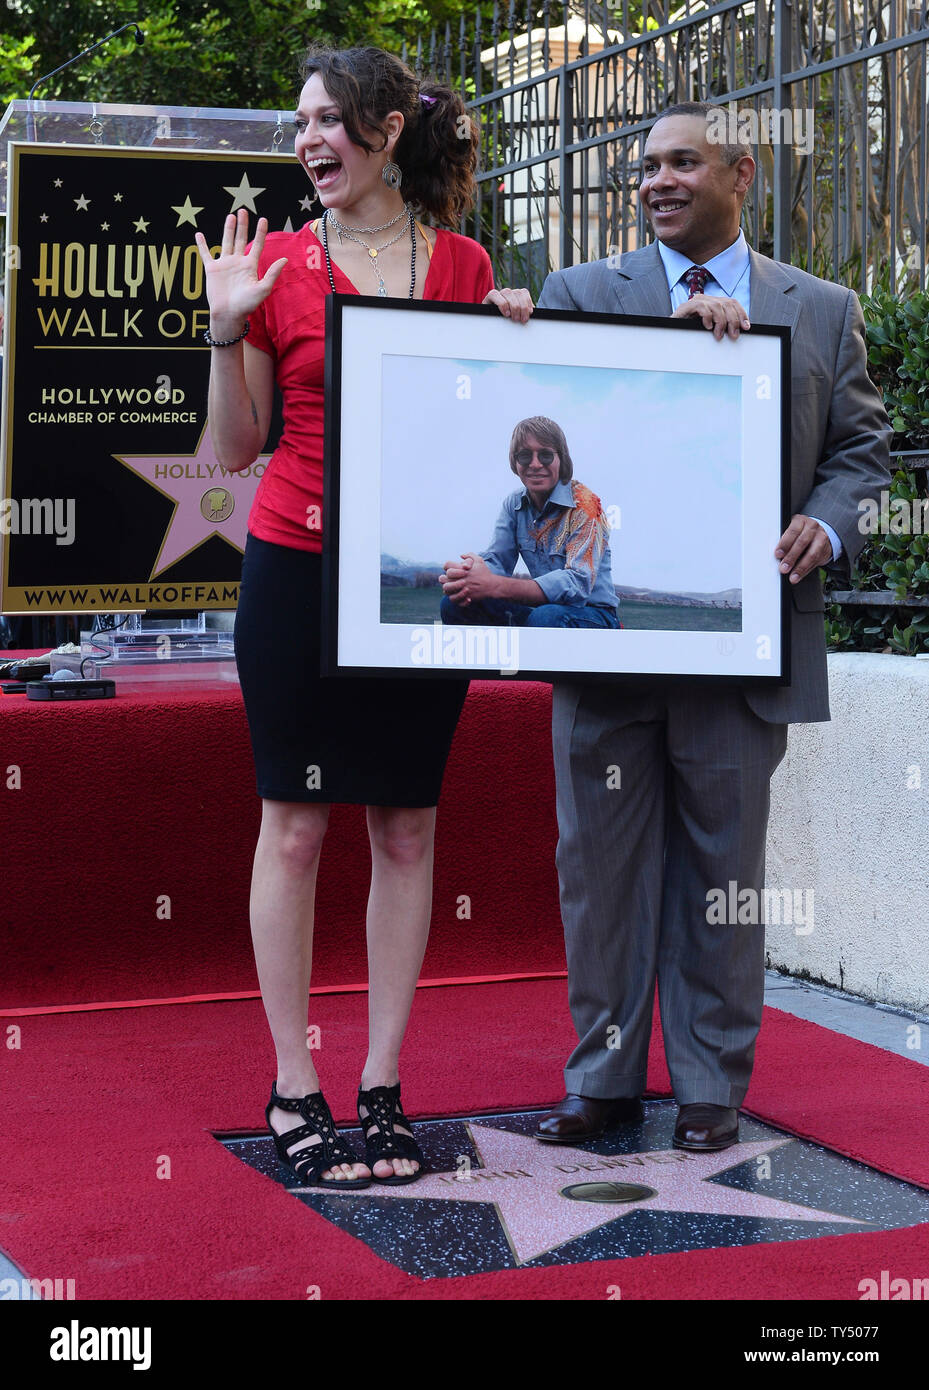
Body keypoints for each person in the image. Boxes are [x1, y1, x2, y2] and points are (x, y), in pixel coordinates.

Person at [195, 45, 531, 1190]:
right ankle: (295, 1082)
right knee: (293, 826)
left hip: (414, 586)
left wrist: (518, 339)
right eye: (299, 123)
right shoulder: (274, 261)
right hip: (292, 569)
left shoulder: (468, 265)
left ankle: (383, 1083)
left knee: (403, 827)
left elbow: (500, 426)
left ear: (388, 130)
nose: (307, 142)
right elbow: (232, 455)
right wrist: (224, 330)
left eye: (330, 120)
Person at [533, 101, 891, 1152]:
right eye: (645, 166)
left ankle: (707, 1087)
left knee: (722, 878)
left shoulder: (818, 307)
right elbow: (557, 425)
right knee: (597, 873)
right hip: (605, 647)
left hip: (742, 648)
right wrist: (669, 348)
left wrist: (824, 528)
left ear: (740, 171)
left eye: (681, 162)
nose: (655, 181)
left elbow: (859, 458)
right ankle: (599, 1079)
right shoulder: (576, 294)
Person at [439, 415, 620, 629]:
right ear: (515, 463)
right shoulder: (514, 504)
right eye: (524, 456)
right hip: (544, 611)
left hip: (594, 614)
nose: (535, 464)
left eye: (545, 455)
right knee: (455, 604)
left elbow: (577, 585)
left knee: (546, 617)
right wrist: (468, 575)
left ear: (561, 460)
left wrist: (495, 585)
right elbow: (498, 559)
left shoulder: (586, 506)